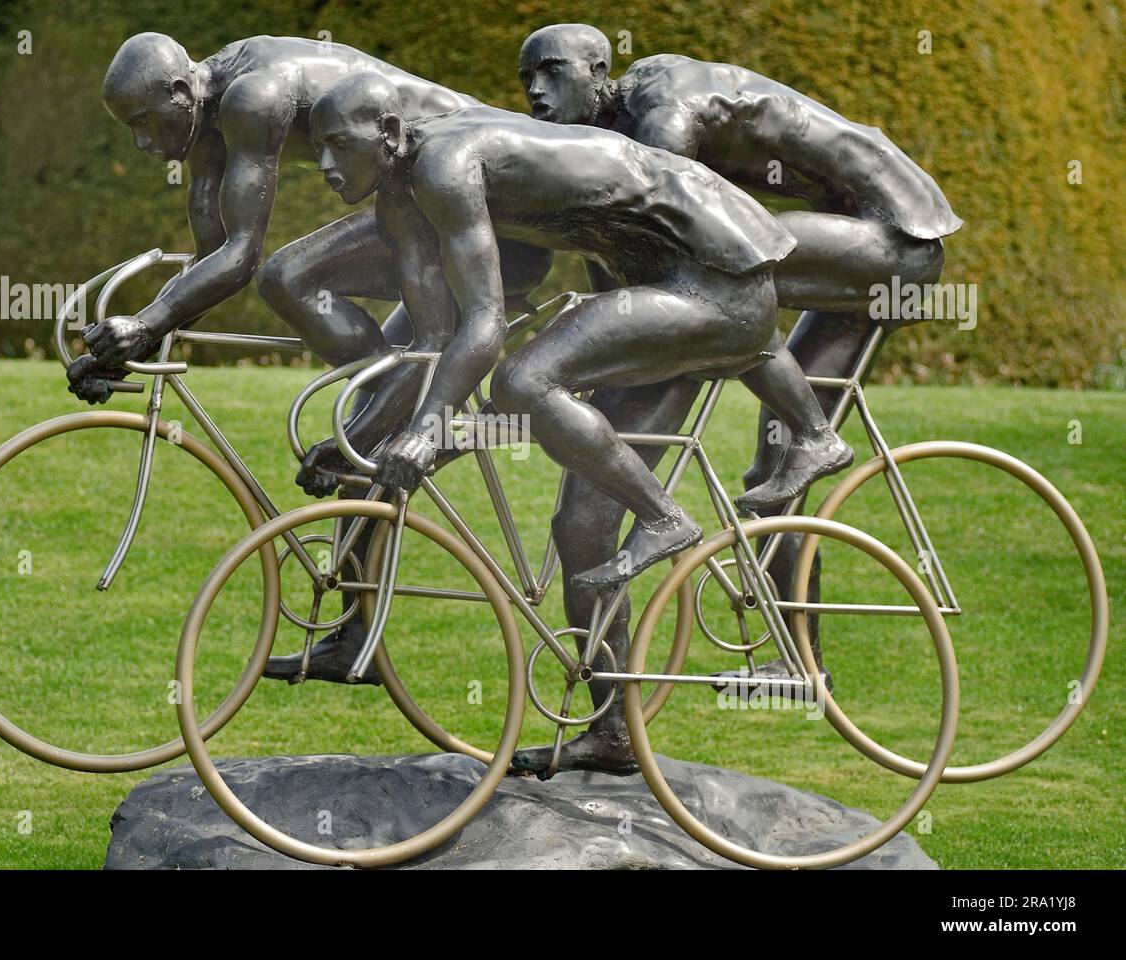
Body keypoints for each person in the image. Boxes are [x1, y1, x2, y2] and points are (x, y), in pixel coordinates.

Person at [305, 72, 856, 767]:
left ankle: (663, 518)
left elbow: (485, 325)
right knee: (582, 526)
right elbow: (432, 346)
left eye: (335, 145)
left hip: (721, 286)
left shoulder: (445, 165)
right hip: (660, 286)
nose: (323, 165)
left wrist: (432, 424)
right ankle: (614, 734)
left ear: (387, 135)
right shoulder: (401, 194)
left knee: (525, 379)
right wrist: (358, 442)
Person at [513, 24, 963, 770]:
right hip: (820, 249)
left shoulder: (664, 116)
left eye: (552, 73)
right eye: (526, 77)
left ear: (600, 71)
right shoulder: (615, 137)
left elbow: (687, 254)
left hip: (893, 242)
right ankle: (623, 727)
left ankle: (811, 442)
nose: (534, 92)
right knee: (639, 504)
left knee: (736, 276)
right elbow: (631, 253)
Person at [75, 33, 552, 683]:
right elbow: (212, 265)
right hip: (425, 208)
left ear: (181, 93)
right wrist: (133, 344)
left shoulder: (252, 97)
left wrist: (146, 322)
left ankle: (398, 393)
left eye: (142, 123)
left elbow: (244, 257)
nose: (141, 143)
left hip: (475, 195)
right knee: (361, 416)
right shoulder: (205, 126)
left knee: (287, 275)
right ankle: (356, 633)